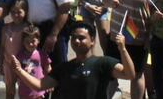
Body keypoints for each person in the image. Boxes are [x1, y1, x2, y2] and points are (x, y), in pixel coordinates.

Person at [7, 23, 138, 98]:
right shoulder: (64, 68)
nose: (76, 41)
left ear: (92, 41)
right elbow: (40, 85)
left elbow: (129, 74)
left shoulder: (103, 63)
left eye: (81, 38)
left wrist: (123, 49)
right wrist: (19, 70)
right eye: (73, 37)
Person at [107, 0, 162, 99]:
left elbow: (156, 11)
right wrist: (108, 2)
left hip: (137, 36)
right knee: (111, 72)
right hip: (116, 34)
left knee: (136, 74)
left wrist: (150, 34)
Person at [2, 0, 31, 99]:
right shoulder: (6, 28)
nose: (16, 15)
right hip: (8, 64)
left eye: (19, 12)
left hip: (24, 65)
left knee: (25, 91)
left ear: (26, 12)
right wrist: (1, 63)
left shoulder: (28, 28)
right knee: (9, 91)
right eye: (13, 12)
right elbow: (2, 48)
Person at [12, 24, 50, 99]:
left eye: (33, 41)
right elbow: (16, 71)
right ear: (23, 41)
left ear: (38, 40)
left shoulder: (42, 54)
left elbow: (48, 68)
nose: (30, 44)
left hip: (39, 91)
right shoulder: (19, 55)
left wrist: (48, 83)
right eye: (27, 41)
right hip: (24, 90)